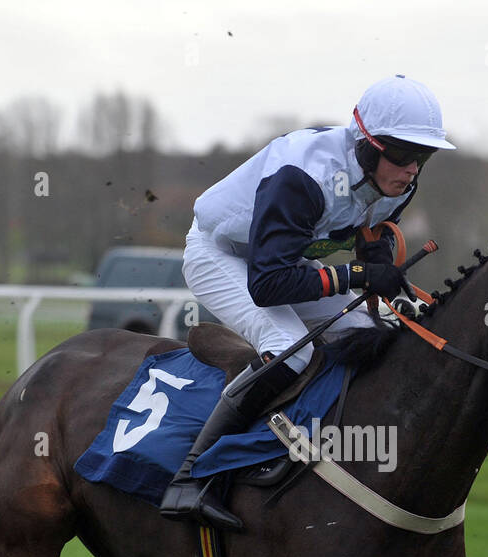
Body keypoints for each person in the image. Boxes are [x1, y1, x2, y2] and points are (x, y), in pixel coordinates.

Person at [159, 74, 455, 531]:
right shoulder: (304, 177)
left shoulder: (398, 182)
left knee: (369, 333)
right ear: (366, 145)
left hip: (281, 261)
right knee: (291, 347)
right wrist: (358, 274)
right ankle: (190, 478)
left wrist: (372, 256)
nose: (412, 168)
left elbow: (362, 229)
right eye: (401, 153)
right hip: (221, 255)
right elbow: (269, 285)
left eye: (423, 156)